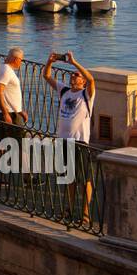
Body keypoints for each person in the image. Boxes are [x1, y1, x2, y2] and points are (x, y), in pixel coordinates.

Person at [43, 50, 96, 223]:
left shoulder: (86, 94)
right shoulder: (64, 91)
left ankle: (85, 214)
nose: (73, 76)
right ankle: (69, 209)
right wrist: (50, 62)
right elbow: (47, 76)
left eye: (77, 75)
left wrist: (74, 62)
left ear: (82, 80)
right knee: (68, 178)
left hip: (79, 141)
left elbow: (92, 80)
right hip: (62, 140)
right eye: (72, 75)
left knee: (85, 179)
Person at [0, 48, 25, 125]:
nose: (21, 63)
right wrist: (5, 113)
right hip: (11, 114)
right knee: (14, 133)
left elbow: (8, 93)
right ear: (16, 59)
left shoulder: (5, 68)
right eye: (21, 60)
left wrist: (19, 111)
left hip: (14, 112)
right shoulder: (6, 70)